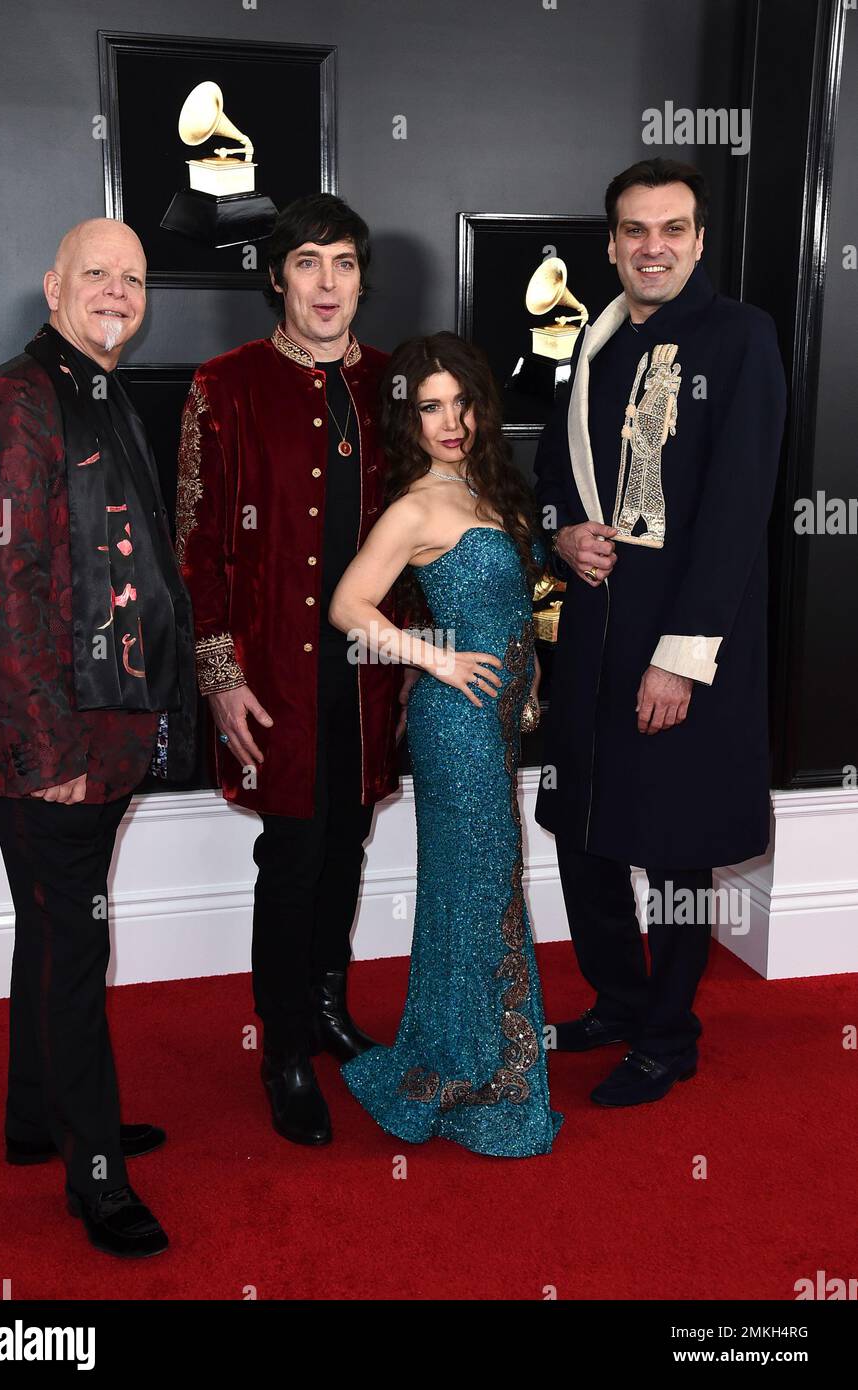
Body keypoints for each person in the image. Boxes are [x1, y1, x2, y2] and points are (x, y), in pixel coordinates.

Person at [0, 218, 196, 1256]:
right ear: (53, 284)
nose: (116, 292)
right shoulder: (11, 402)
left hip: (102, 734)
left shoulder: (94, 389)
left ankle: (30, 1120)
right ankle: (95, 1174)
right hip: (47, 748)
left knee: (54, 937)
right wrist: (49, 754)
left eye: (132, 279)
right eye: (96, 274)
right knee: (73, 947)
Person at [534, 158, 787, 1106]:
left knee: (677, 841)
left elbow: (736, 512)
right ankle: (619, 998)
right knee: (585, 829)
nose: (653, 246)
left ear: (699, 239)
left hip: (688, 642)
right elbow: (554, 466)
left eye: (672, 228)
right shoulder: (586, 347)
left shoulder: (742, 338)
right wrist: (560, 527)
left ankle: (671, 1032)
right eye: (635, 231)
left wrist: (680, 660)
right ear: (611, 244)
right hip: (592, 631)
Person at [176, 194, 401, 1147]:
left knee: (346, 845)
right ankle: (282, 1052)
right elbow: (197, 541)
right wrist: (219, 669)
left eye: (343, 263)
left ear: (360, 279)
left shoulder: (394, 384)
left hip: (371, 674)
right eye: (307, 262)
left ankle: (325, 1005)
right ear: (277, 276)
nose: (326, 283)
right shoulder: (224, 385)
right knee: (294, 856)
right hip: (272, 673)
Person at [331, 332, 563, 1158]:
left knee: (481, 885)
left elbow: (520, 605)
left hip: (495, 724)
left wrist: (527, 683)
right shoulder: (415, 506)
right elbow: (350, 607)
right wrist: (435, 655)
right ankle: (472, 1072)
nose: (450, 420)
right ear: (410, 419)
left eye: (461, 402)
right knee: (480, 888)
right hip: (454, 722)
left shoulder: (489, 487)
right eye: (430, 407)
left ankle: (468, 1056)